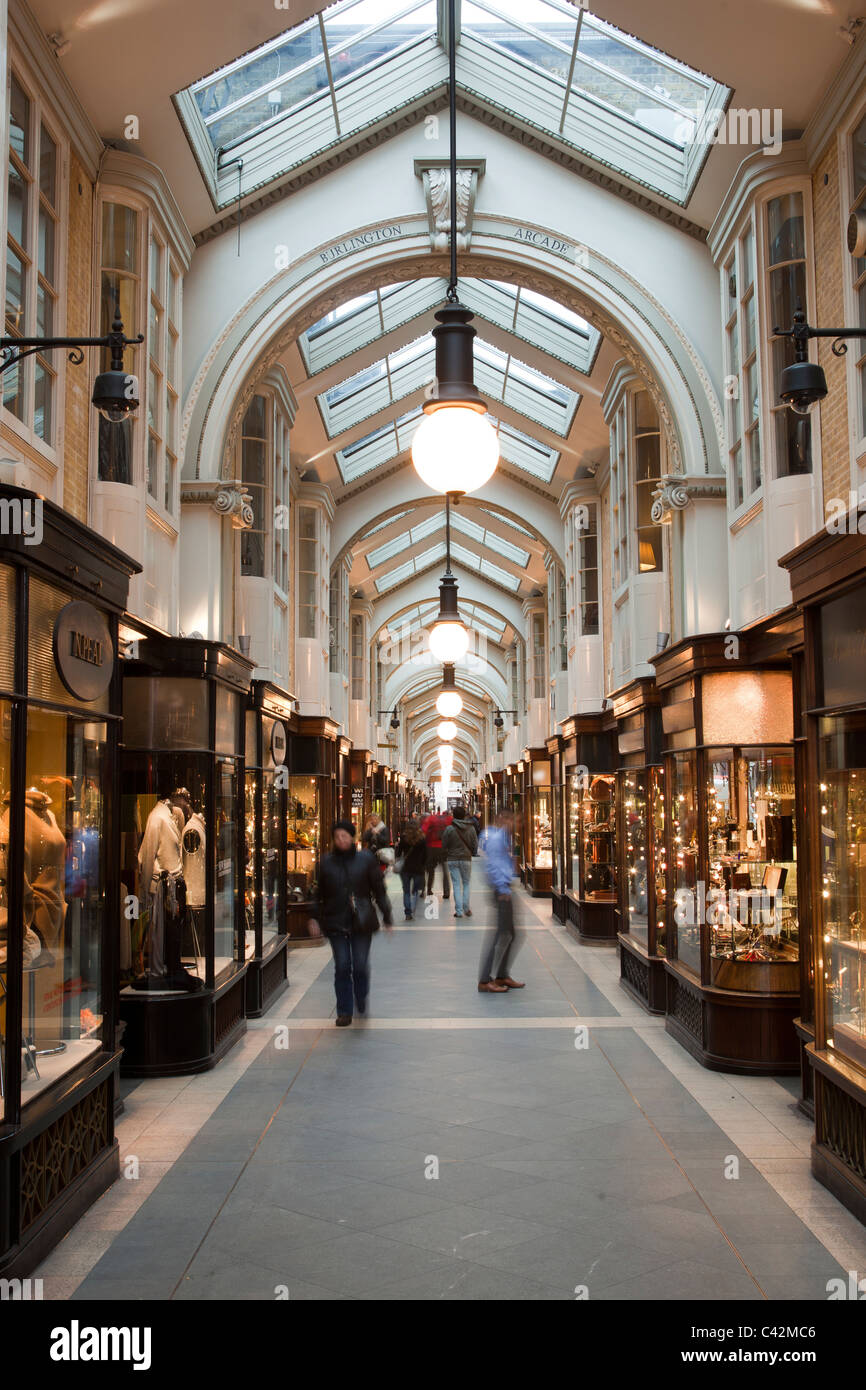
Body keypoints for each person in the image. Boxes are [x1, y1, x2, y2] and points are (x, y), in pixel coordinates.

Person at [308, 821, 393, 1025]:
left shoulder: (366, 859)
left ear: (352, 837)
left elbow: (379, 889)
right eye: (337, 837)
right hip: (335, 921)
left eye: (344, 836)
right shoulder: (326, 862)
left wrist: (387, 915)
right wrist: (314, 917)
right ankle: (344, 1011)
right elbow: (318, 893)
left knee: (360, 966)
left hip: (361, 921)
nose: (341, 840)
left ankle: (361, 998)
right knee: (343, 966)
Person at [478, 809, 525, 994]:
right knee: (500, 934)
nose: (517, 824)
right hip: (501, 890)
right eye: (515, 820)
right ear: (504, 820)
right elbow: (494, 865)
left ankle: (502, 975)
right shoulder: (498, 839)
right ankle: (485, 980)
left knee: (511, 933)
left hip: (504, 888)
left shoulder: (504, 838)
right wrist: (503, 889)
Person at [441, 803, 478, 918]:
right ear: (464, 815)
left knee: (456, 884)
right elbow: (475, 844)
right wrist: (472, 852)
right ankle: (466, 908)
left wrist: (448, 852)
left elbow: (444, 844)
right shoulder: (471, 828)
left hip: (452, 859)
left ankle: (459, 911)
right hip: (466, 858)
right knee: (466, 883)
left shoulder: (449, 829)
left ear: (454, 815)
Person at [395, 816, 427, 921]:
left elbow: (398, 853)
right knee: (415, 891)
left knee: (406, 891)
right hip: (418, 868)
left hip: (406, 868)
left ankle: (408, 912)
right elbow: (425, 854)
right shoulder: (422, 838)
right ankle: (412, 909)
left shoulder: (404, 837)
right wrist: (423, 865)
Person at [421, 806, 452, 899]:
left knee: (430, 870)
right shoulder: (448, 819)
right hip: (443, 847)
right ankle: (446, 892)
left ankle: (428, 889)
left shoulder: (431, 818)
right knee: (445, 870)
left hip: (431, 847)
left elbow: (423, 831)